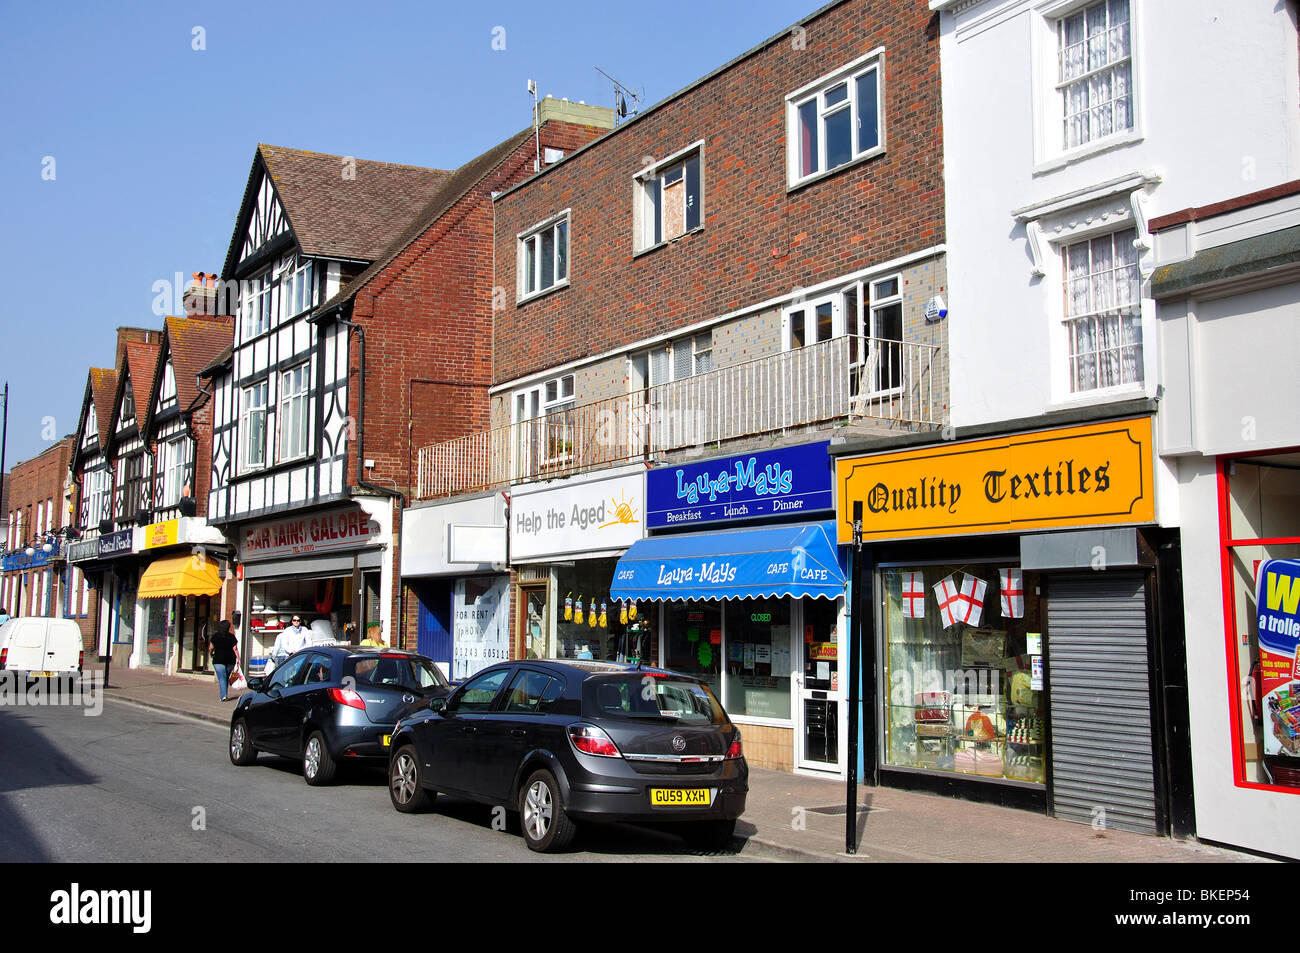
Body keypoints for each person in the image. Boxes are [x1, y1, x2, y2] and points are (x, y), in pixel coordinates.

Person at [208, 620, 239, 702]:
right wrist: (238, 659)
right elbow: (235, 649)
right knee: (225, 677)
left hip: (218, 659)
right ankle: (224, 694)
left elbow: (211, 647)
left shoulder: (215, 636)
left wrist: (211, 653)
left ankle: (223, 696)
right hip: (230, 660)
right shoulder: (232, 637)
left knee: (222, 678)